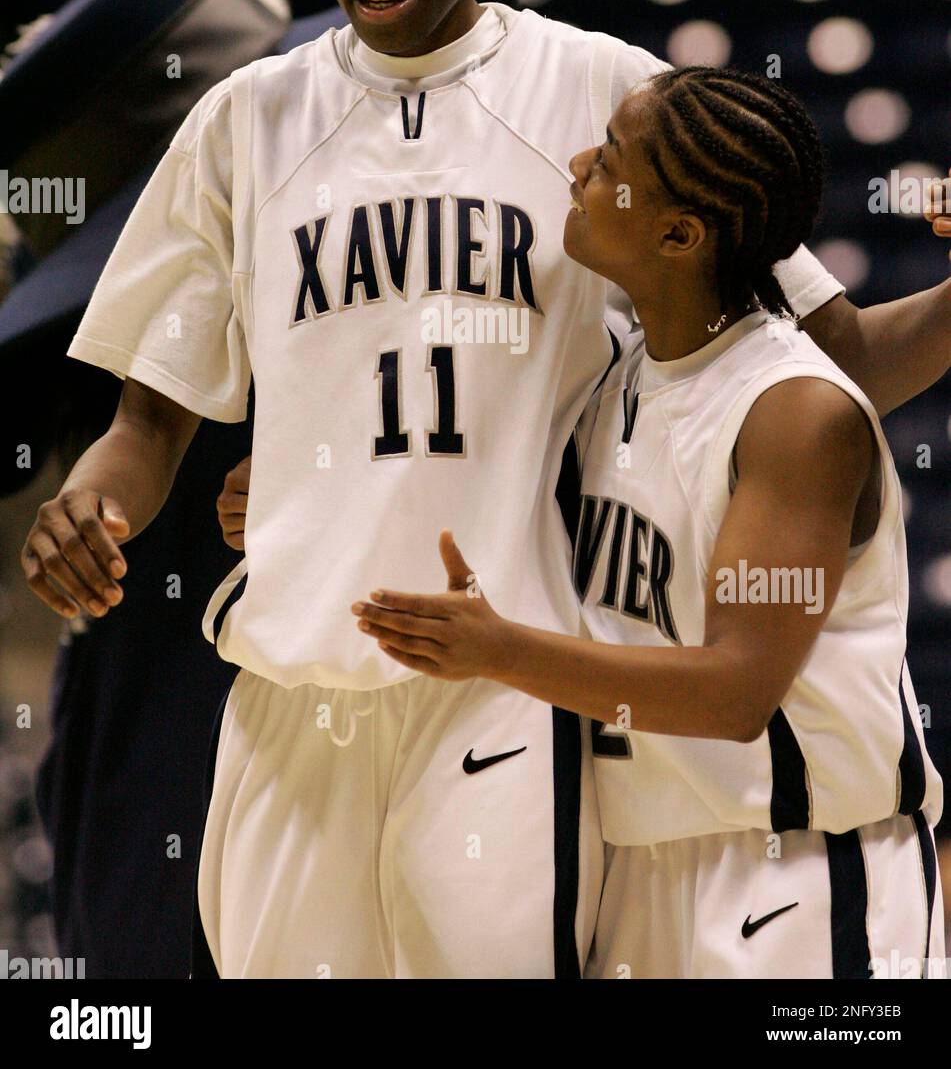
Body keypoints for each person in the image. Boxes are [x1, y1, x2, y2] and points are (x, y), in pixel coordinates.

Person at [21, 0, 950, 979]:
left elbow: (823, 356)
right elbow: (149, 426)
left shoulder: (610, 90)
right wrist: (91, 508)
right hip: (288, 684)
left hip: (507, 695)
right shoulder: (241, 121)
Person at [352, 66, 947, 979]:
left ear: (677, 231)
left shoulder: (791, 412)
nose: (580, 164)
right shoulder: (616, 380)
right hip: (640, 862)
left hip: (801, 878)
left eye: (612, 159)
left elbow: (735, 692)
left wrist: (498, 649)